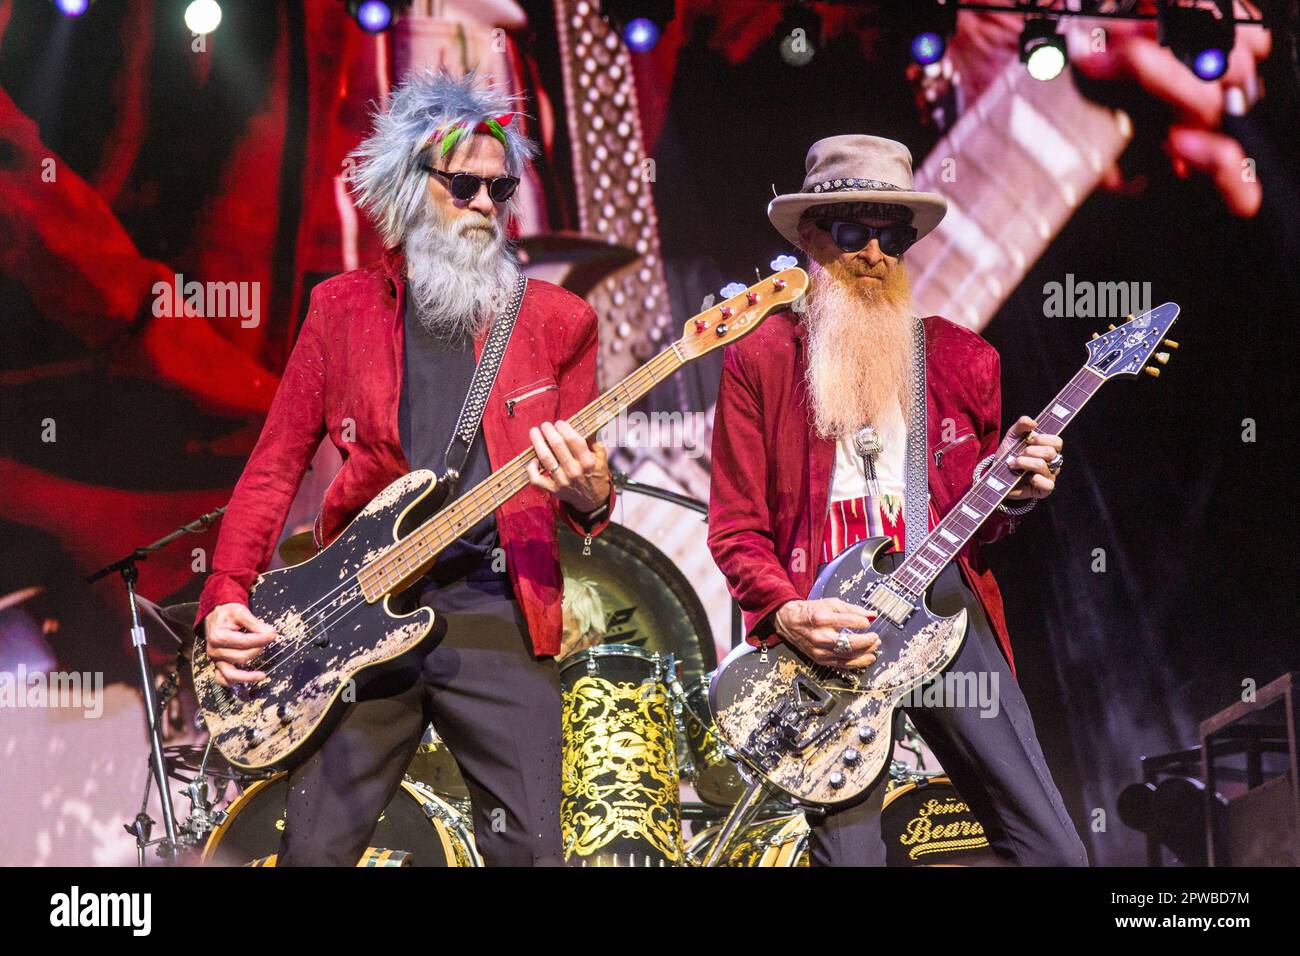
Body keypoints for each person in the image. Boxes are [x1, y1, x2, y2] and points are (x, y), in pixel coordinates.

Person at [194, 71, 614, 866]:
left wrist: (590, 492)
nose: (487, 203)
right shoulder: (340, 310)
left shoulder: (560, 322)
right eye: (465, 184)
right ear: (412, 186)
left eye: (502, 186)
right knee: (315, 849)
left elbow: (587, 494)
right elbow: (274, 465)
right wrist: (224, 593)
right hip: (353, 617)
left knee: (533, 850)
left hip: (497, 606)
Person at [707, 134, 1088, 866]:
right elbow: (736, 529)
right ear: (812, 238)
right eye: (855, 232)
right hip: (830, 622)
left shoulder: (963, 358)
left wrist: (1020, 493)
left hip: (942, 602)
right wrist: (788, 610)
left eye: (895, 236)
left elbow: (985, 523)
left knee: (1052, 849)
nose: (877, 254)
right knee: (849, 859)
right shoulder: (758, 361)